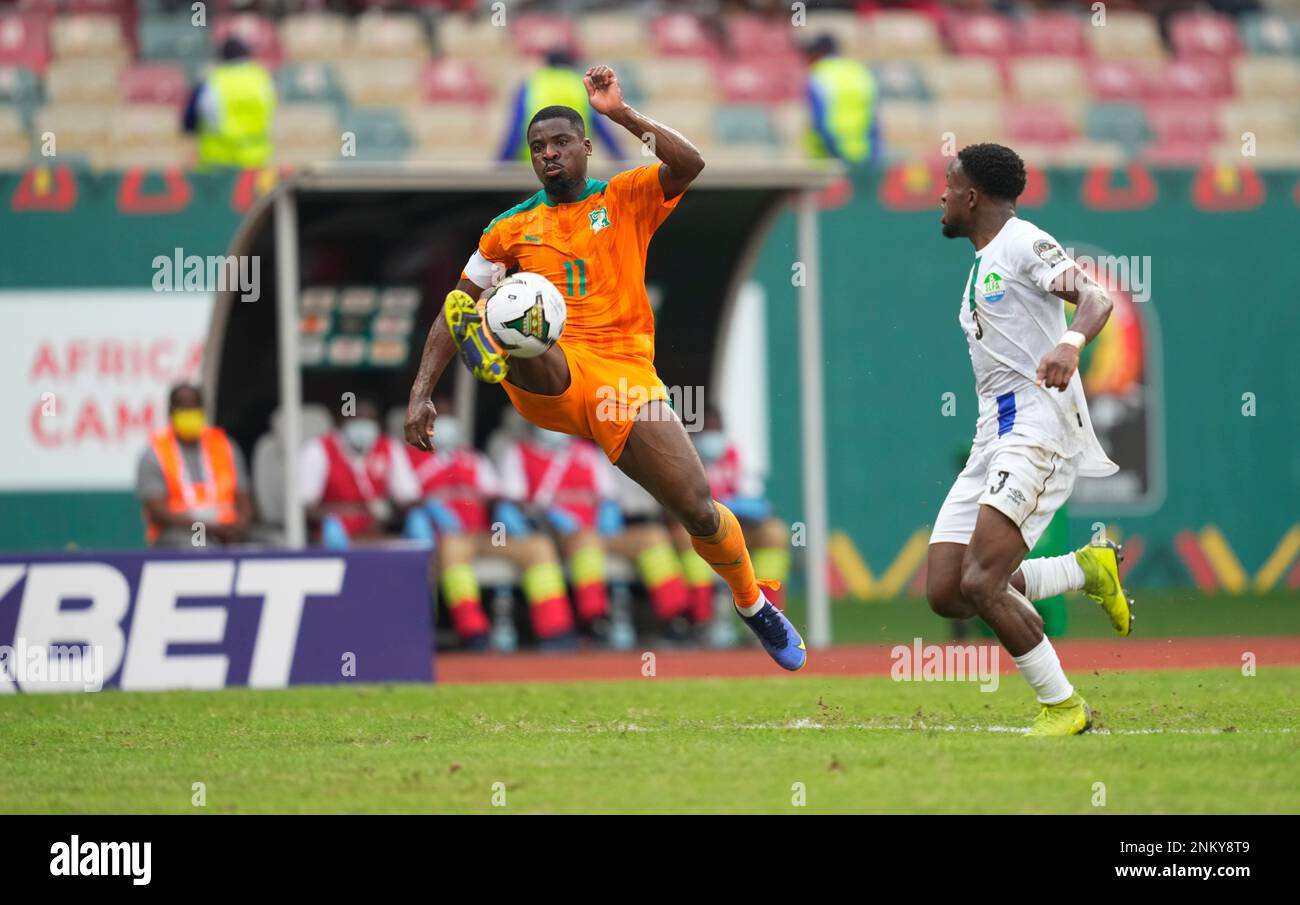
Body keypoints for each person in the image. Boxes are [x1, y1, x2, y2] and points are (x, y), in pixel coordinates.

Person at [404, 65, 806, 670]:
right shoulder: (509, 228)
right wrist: (421, 393)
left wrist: (623, 113)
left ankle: (753, 605)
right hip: (554, 375)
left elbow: (690, 164)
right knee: (514, 309)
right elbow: (447, 309)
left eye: (560, 143)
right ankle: (495, 345)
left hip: (626, 380)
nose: (548, 156)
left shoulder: (624, 197)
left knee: (697, 507)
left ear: (586, 148)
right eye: (538, 149)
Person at [925, 143, 1135, 737]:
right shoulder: (984, 259)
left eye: (948, 184)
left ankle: (1063, 707)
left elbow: (1095, 298)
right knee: (947, 589)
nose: (940, 196)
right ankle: (1086, 569)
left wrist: (1069, 346)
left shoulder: (1021, 240)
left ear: (971, 196)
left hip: (1037, 430)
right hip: (993, 432)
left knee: (982, 582)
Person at [402, 403, 573, 649]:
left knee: (538, 546)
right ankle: (473, 632)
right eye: (439, 419)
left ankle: (556, 630)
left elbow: (495, 495)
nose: (446, 425)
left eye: (450, 418)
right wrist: (429, 509)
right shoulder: (411, 458)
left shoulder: (473, 459)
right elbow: (404, 501)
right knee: (453, 549)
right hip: (446, 537)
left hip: (484, 534)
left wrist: (505, 510)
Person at [496, 425, 691, 638]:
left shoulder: (588, 452)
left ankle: (677, 616)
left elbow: (608, 496)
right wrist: (547, 516)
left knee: (653, 536)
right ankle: (594, 619)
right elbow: (514, 502)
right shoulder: (518, 452)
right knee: (586, 540)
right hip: (558, 535)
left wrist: (608, 513)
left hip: (599, 531)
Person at [674, 407, 789, 620]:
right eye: (705, 430)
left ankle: (768, 613)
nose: (711, 436)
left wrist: (725, 507)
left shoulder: (738, 454)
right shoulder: (683, 460)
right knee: (683, 535)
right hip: (701, 536)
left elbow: (756, 504)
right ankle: (701, 620)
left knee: (775, 532)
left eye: (715, 429)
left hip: (740, 529)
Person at [138, 383, 252, 548]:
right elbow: (158, 512)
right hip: (182, 531)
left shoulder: (225, 446)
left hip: (225, 529)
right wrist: (207, 528)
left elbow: (244, 499)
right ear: (171, 413)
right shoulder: (155, 454)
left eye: (194, 408)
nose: (190, 413)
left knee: (257, 548)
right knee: (200, 545)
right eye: (184, 409)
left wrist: (238, 528)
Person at [300, 398, 420, 547]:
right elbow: (304, 506)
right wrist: (336, 516)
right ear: (341, 422)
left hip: (375, 534)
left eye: (369, 421)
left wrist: (388, 510)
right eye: (357, 420)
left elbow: (408, 497)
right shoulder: (318, 449)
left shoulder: (388, 446)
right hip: (331, 537)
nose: (364, 427)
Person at [497, 48, 623, 162]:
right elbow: (601, 128)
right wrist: (619, 157)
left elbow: (515, 130)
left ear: (546, 64)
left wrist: (502, 163)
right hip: (572, 166)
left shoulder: (531, 85)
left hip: (535, 166)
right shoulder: (581, 86)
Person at [182, 36, 276, 170]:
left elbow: (189, 121)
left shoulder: (211, 81)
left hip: (218, 163)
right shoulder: (263, 79)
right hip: (255, 162)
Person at [802, 33, 878, 166]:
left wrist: (834, 153)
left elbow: (819, 120)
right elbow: (873, 119)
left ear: (818, 53)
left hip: (828, 156)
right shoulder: (860, 72)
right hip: (863, 154)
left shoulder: (818, 75)